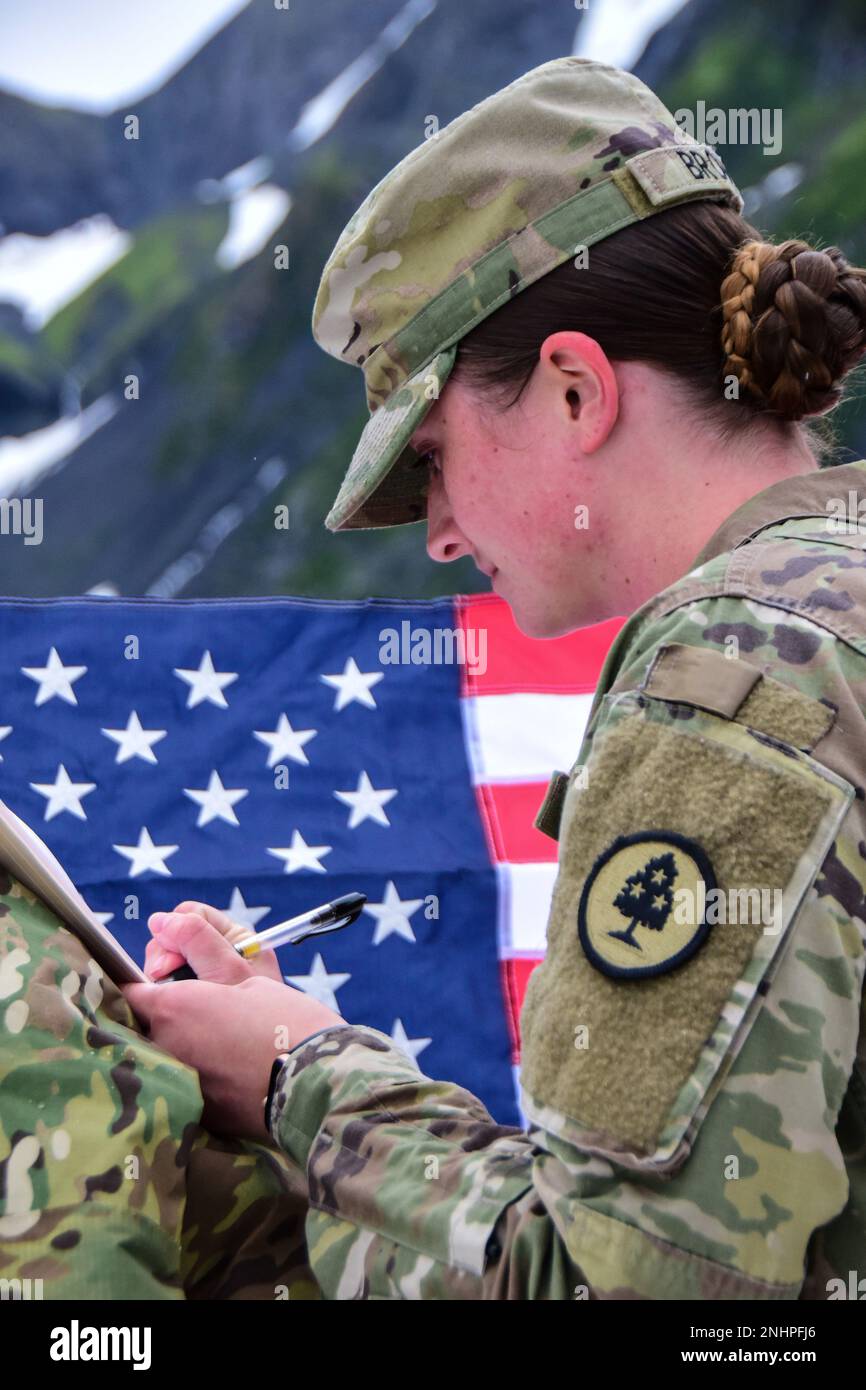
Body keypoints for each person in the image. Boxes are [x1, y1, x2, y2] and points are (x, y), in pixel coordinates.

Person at [126, 56, 866, 1300]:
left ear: (573, 390)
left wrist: (297, 1075)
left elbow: (626, 1293)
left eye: (432, 458)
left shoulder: (729, 676)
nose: (440, 533)